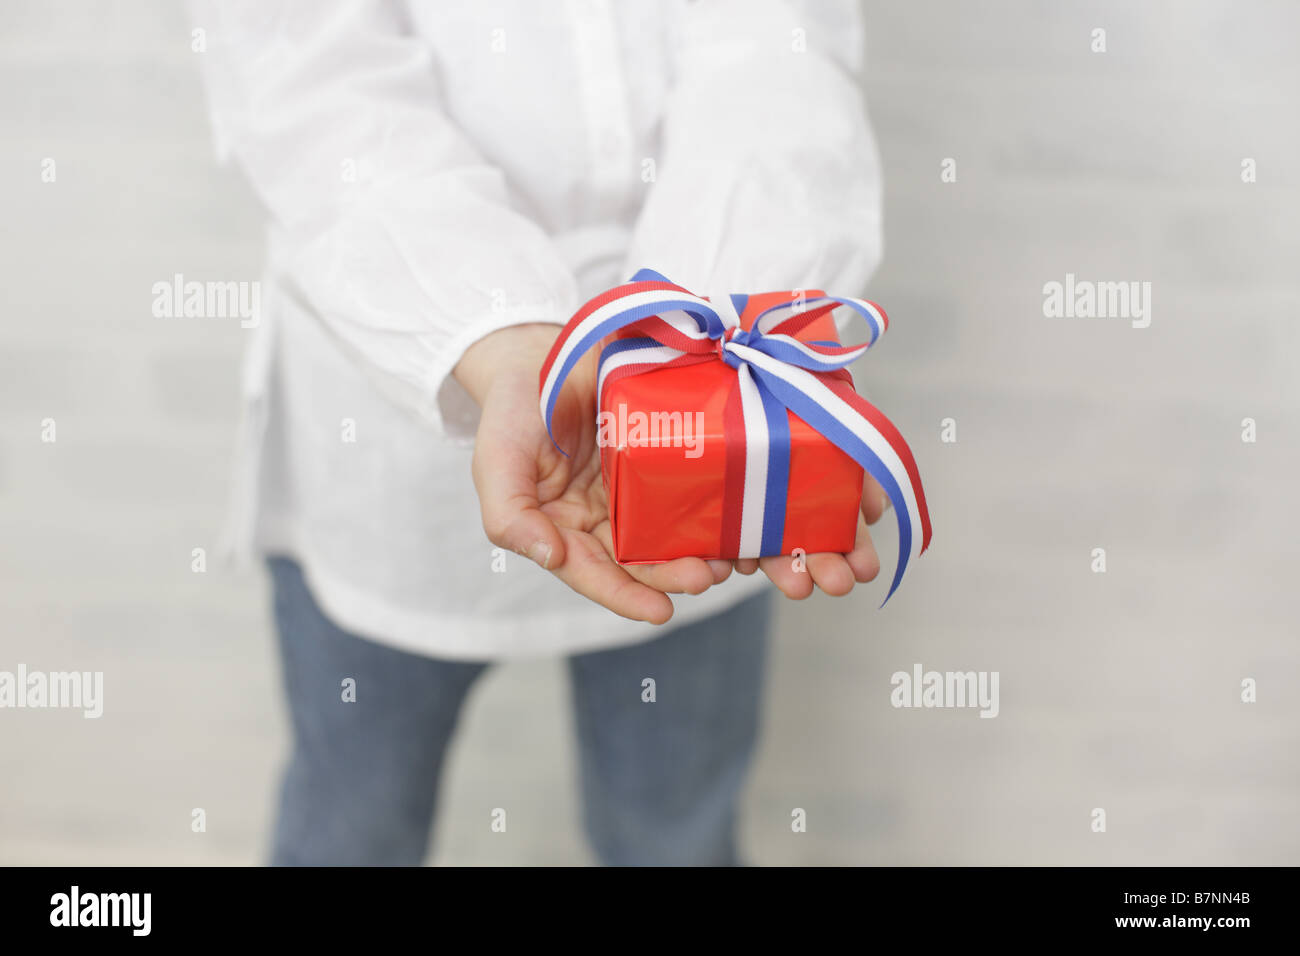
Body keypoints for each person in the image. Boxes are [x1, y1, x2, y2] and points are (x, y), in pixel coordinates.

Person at [195, 0, 888, 865]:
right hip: (394, 417)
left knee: (674, 836)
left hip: (716, 451)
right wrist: (499, 335)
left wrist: (710, 338)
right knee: (351, 825)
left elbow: (770, 41)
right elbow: (307, 77)